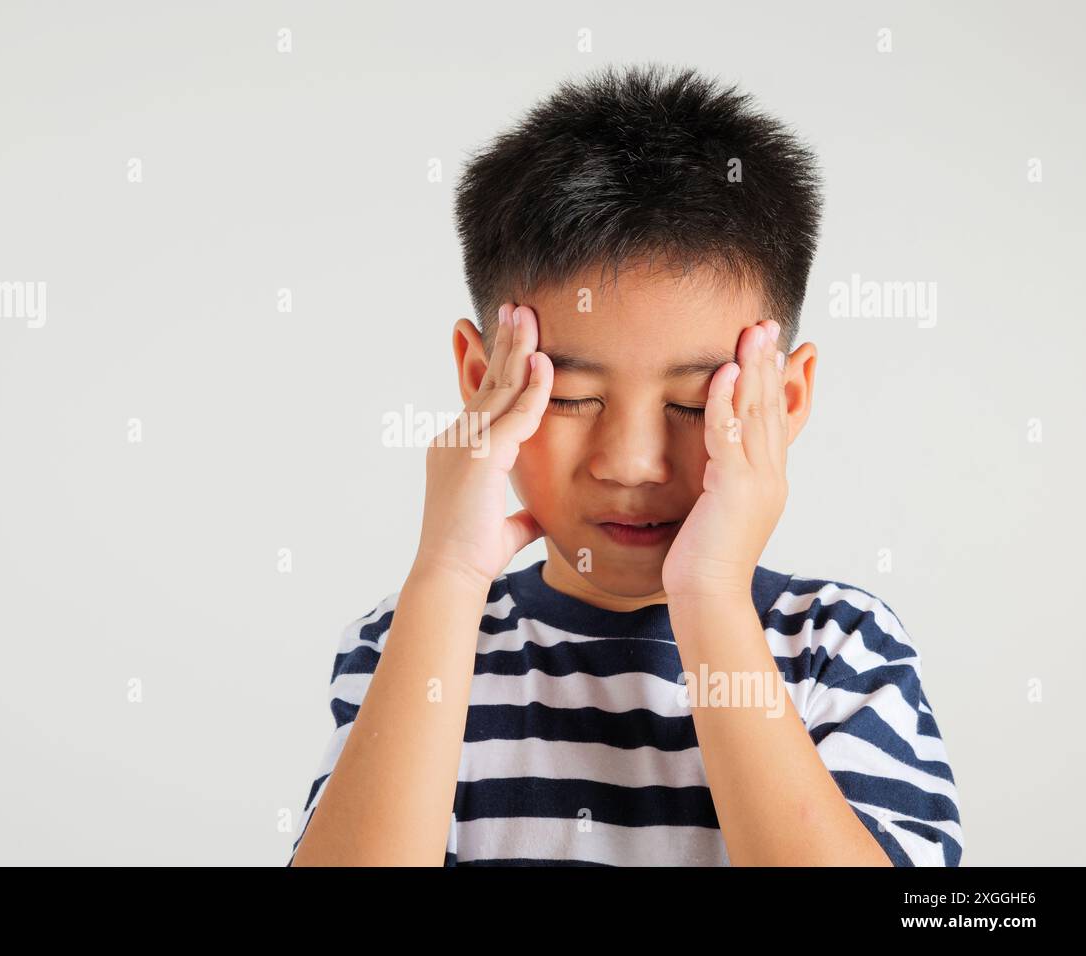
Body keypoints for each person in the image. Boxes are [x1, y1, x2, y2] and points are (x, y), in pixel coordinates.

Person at [288, 63, 962, 866]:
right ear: (481, 382)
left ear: (783, 398)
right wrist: (445, 578)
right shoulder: (412, 643)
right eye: (570, 397)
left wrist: (710, 594)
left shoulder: (838, 649)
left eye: (691, 405)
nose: (633, 463)